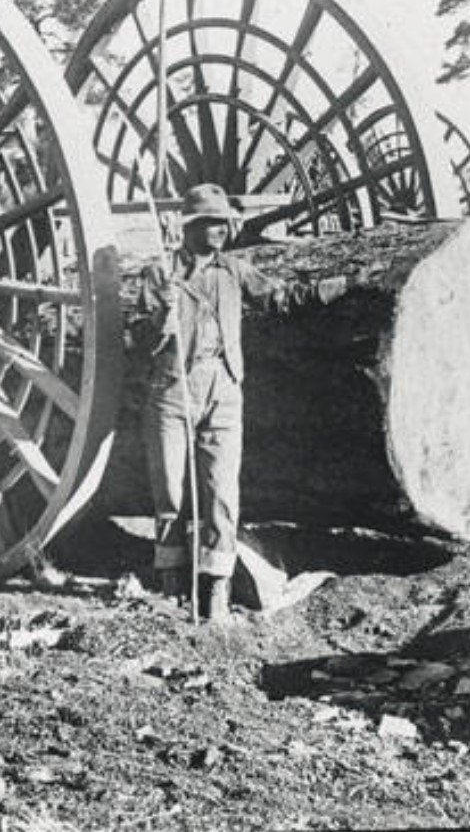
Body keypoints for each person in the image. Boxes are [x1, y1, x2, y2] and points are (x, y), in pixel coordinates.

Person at [133, 183, 352, 623]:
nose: (221, 230)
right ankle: (172, 583)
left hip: (224, 389)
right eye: (212, 223)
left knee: (221, 491)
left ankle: (217, 587)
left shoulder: (234, 270)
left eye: (224, 223)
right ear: (190, 227)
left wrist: (334, 288)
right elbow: (138, 340)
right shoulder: (161, 273)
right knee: (171, 492)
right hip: (172, 389)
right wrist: (160, 319)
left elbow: (279, 298)